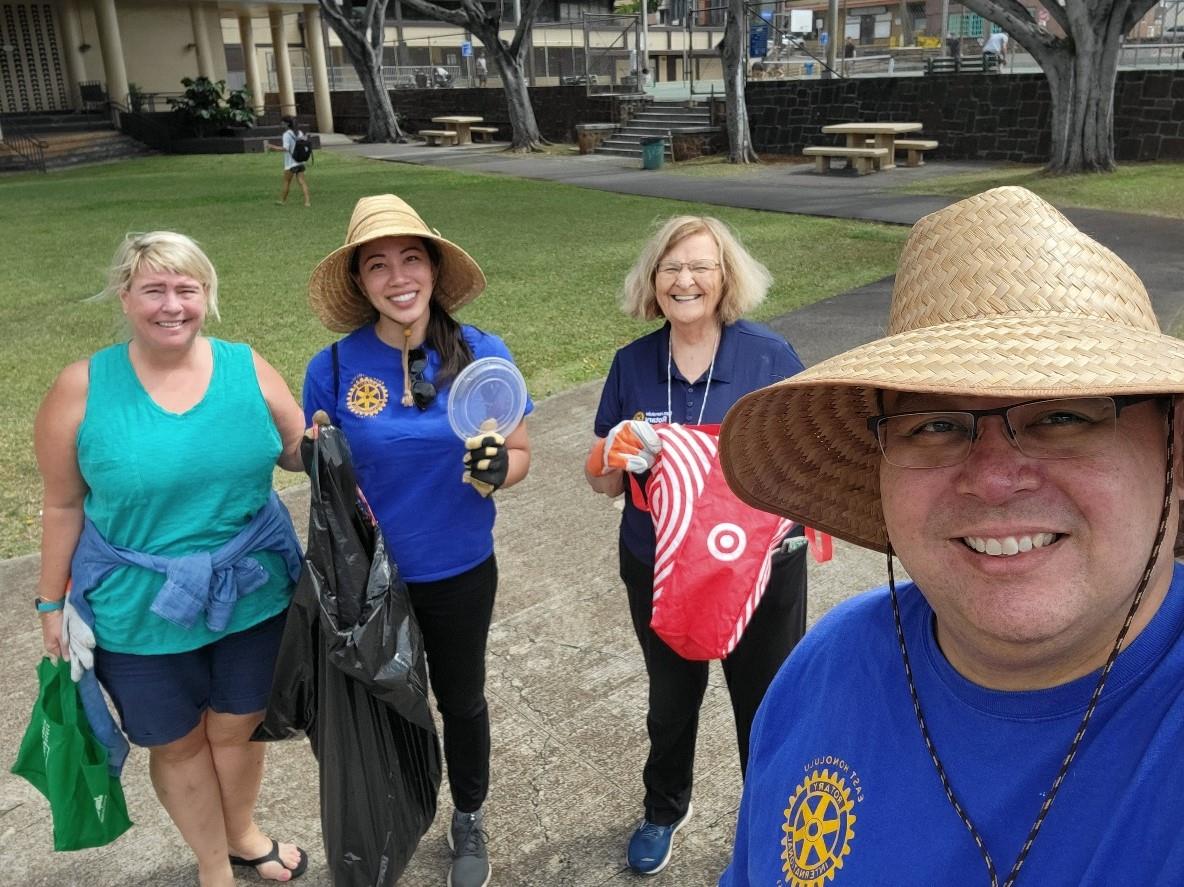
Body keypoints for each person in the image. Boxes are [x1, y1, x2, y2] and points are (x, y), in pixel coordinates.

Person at [717, 186, 1184, 885]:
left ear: (1175, 455)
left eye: (1061, 415)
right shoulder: (820, 670)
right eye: (932, 424)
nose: (994, 479)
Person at [34, 231, 309, 885]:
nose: (171, 304)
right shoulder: (81, 387)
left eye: (186, 288)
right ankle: (213, 863)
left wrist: (341, 435)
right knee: (178, 740)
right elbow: (62, 505)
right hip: (137, 604)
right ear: (126, 296)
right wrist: (50, 602)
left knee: (239, 726)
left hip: (252, 591)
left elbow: (298, 450)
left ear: (206, 296)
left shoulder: (247, 366)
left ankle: (242, 833)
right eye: (153, 288)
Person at [302, 194, 532, 887]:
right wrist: (304, 448)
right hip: (368, 582)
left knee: (461, 699)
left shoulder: (483, 355)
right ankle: (395, 814)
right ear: (361, 282)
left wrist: (500, 468)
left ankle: (468, 815)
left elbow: (518, 452)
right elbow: (312, 456)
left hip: (459, 567)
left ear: (432, 269)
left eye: (410, 259)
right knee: (384, 708)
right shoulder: (335, 367)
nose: (397, 277)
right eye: (378, 264)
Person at [585, 216, 808, 875]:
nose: (686, 280)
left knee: (765, 701)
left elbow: (806, 460)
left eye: (701, 266)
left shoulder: (769, 357)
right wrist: (611, 449)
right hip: (660, 568)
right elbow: (601, 480)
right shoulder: (632, 365)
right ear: (652, 283)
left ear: (725, 277)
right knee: (670, 698)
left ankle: (768, 816)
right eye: (671, 268)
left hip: (758, 569)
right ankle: (664, 806)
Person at [264, 116, 310, 208]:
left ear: (286, 124)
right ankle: (307, 202)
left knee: (286, 182)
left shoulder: (286, 135)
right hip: (300, 162)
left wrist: (271, 147)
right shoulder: (299, 133)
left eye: (282, 122)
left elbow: (285, 148)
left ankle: (282, 201)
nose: (281, 124)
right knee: (302, 182)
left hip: (290, 163)